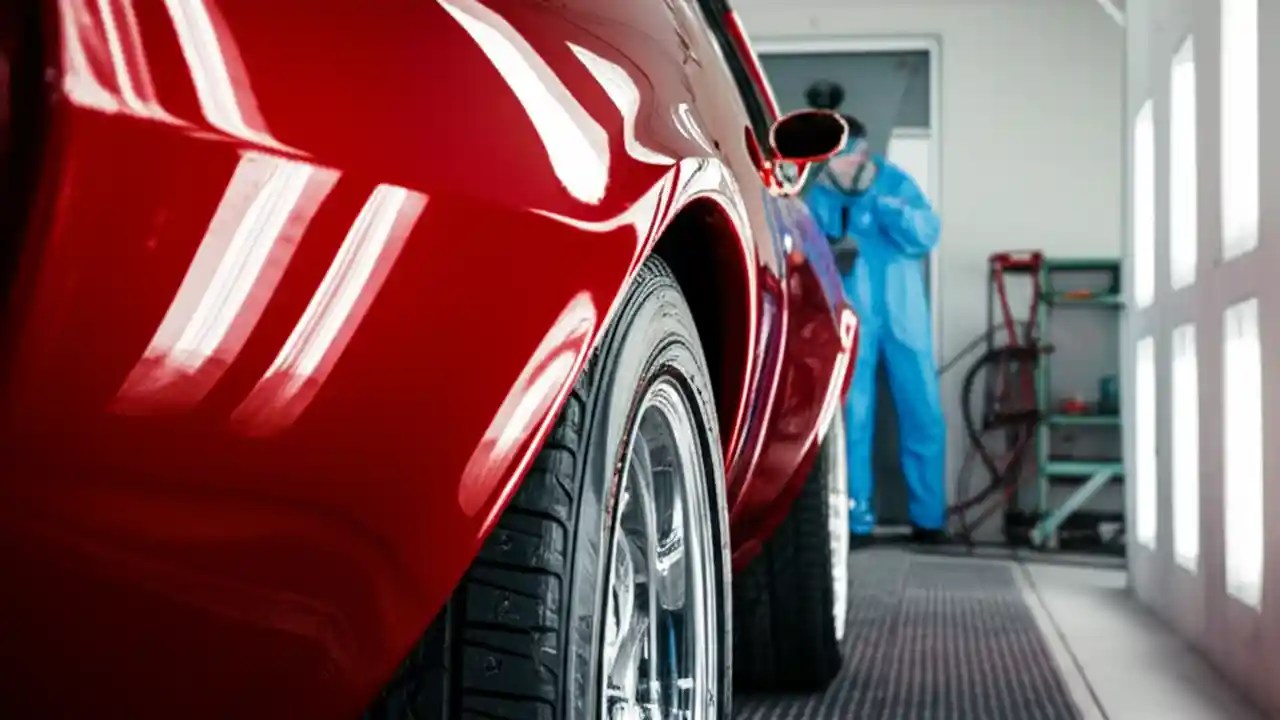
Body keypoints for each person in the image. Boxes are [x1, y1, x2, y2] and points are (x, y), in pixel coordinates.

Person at [803, 111, 947, 544]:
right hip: (850, 316)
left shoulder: (895, 182)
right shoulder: (822, 191)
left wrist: (882, 204)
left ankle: (929, 518)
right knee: (852, 416)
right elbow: (811, 245)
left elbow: (926, 233)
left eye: (848, 159)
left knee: (922, 412)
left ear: (863, 152)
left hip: (904, 317)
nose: (842, 167)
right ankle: (855, 521)